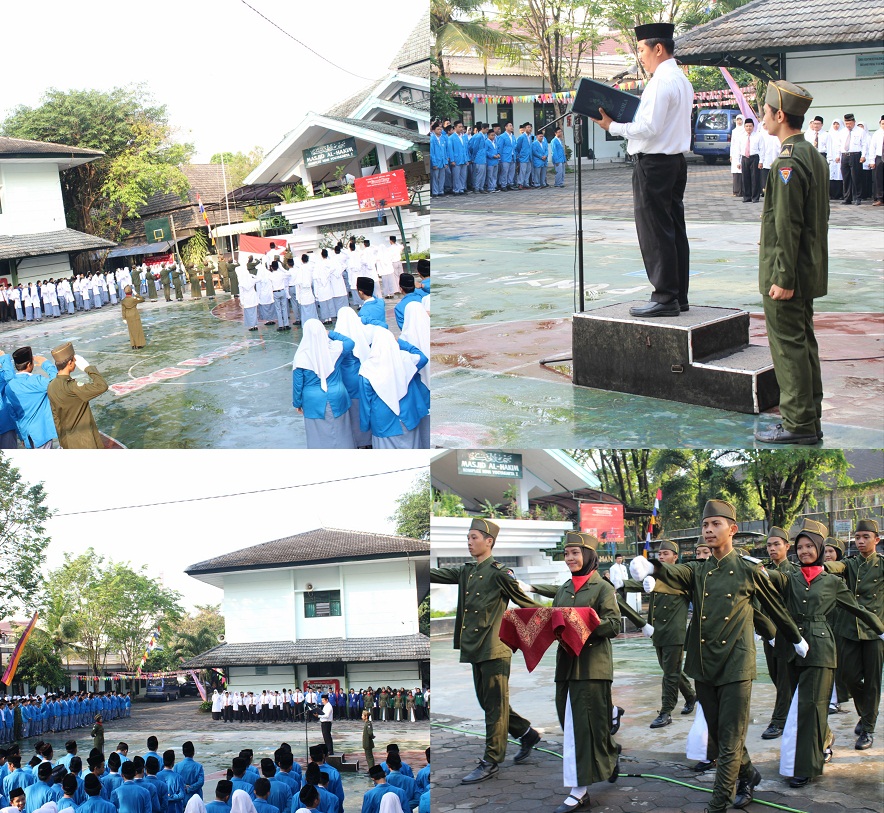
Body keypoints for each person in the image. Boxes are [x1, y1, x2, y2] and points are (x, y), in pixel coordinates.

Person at [629, 499, 806, 813]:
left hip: (736, 663)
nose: (709, 530)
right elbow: (674, 572)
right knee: (722, 735)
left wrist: (795, 638)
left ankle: (719, 801)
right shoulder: (698, 570)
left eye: (715, 524)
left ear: (732, 529)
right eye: (705, 525)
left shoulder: (749, 569)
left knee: (729, 737)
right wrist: (653, 567)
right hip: (703, 663)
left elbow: (775, 609)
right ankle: (748, 774)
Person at [766, 519, 884, 786]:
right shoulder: (790, 577)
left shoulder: (831, 582)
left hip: (820, 648)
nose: (804, 551)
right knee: (798, 703)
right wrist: (756, 570)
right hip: (791, 647)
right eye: (800, 547)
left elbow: (857, 609)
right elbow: (770, 578)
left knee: (812, 705)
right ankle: (824, 738)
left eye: (810, 546)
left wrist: (880, 629)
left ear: (819, 549)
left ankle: (807, 765)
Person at [430, 519, 542, 784]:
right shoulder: (466, 571)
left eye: (474, 537)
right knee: (488, 702)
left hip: (495, 648)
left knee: (494, 707)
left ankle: (492, 760)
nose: (469, 542)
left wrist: (557, 622)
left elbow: (528, 605)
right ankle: (527, 734)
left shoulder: (500, 573)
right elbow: (432, 573)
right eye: (468, 538)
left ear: (489, 541)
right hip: (475, 647)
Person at [594, 22, 693, 317]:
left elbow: (649, 127)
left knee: (655, 230)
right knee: (673, 229)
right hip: (674, 162)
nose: (640, 56)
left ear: (658, 48)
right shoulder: (681, 79)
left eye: (641, 49)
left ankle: (665, 297)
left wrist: (613, 126)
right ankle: (678, 296)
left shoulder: (661, 81)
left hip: (655, 164)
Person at [753, 81, 829, 445]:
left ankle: (797, 424)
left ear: (780, 115)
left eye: (766, 112)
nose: (763, 118)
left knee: (788, 347)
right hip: (807, 267)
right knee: (804, 342)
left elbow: (787, 223)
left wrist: (782, 276)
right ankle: (809, 418)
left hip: (788, 272)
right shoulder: (811, 154)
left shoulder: (787, 161)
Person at [527, 532, 621, 813]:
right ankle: (610, 754)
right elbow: (556, 622)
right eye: (567, 553)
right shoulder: (564, 589)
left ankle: (579, 790)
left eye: (575, 553)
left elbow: (614, 624)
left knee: (582, 728)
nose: (569, 558)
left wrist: (580, 624)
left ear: (589, 555)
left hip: (592, 667)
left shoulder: (602, 588)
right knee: (573, 723)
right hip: (566, 666)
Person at [618, 541, 697, 728]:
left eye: (666, 553)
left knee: (670, 673)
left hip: (674, 633)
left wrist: (656, 582)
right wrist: (621, 583)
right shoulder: (652, 577)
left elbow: (672, 586)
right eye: (660, 554)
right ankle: (691, 695)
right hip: (657, 632)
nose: (661, 557)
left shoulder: (682, 577)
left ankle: (666, 711)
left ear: (675, 557)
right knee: (670, 670)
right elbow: (640, 584)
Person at [825, 518, 884, 749]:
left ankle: (868, 729)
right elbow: (836, 567)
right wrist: (822, 566)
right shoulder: (849, 564)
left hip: (874, 632)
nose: (860, 541)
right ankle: (866, 712)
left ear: (876, 540)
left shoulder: (882, 565)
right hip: (849, 629)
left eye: (865, 537)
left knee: (872, 682)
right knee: (848, 677)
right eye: (857, 537)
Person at [357, 328, 428, 449]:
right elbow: (423, 358)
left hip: (383, 420)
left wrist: (365, 425)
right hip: (408, 414)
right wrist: (400, 342)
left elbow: (365, 401)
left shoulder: (367, 368)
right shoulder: (405, 358)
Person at [291, 320, 355, 449]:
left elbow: (298, 385)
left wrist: (297, 403)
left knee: (317, 435)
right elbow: (350, 342)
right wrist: (330, 333)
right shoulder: (335, 349)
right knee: (341, 432)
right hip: (337, 395)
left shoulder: (301, 356)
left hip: (313, 401)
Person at [46, 342, 108, 449]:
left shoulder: (51, 386)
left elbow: (56, 418)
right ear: (70, 363)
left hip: (69, 441)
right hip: (86, 442)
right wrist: (88, 368)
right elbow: (102, 386)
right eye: (74, 361)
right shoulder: (73, 387)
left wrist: (63, 442)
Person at [4, 347, 58, 448]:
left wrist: (21, 436)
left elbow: (13, 414)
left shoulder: (9, 386)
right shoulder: (36, 380)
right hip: (42, 433)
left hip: (26, 435)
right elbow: (58, 383)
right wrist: (46, 364)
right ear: (29, 364)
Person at [839, 113, 866, 204]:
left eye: (850, 123)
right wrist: (838, 156)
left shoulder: (860, 131)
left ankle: (858, 197)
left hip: (855, 155)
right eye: (846, 123)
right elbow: (839, 144)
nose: (848, 125)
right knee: (845, 178)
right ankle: (847, 198)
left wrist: (863, 156)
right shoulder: (842, 131)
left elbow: (864, 144)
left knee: (856, 177)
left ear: (854, 122)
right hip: (844, 155)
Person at [740, 118, 763, 203]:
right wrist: (738, 161)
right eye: (746, 126)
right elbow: (738, 149)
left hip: (754, 158)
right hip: (744, 158)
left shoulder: (758, 136)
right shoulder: (741, 137)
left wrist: (761, 161)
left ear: (753, 127)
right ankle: (747, 197)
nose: (748, 128)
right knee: (745, 178)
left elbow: (762, 149)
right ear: (744, 127)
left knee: (755, 178)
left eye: (750, 126)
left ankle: (755, 197)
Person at [236, 261, 259, 331]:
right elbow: (259, 279)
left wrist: (242, 302)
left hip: (246, 298)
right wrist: (253, 275)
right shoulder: (251, 280)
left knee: (248, 313)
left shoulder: (241, 283)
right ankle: (255, 325)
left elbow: (241, 293)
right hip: (253, 297)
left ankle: (251, 326)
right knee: (254, 312)